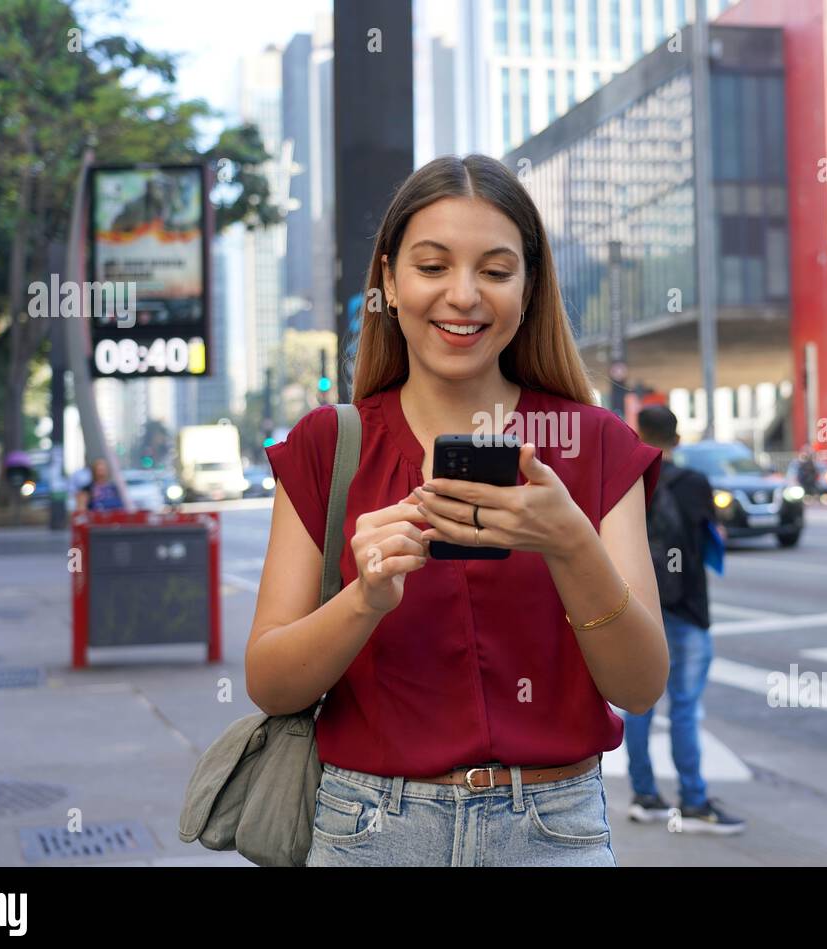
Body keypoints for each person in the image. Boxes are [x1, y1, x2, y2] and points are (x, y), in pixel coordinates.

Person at [248, 154, 668, 867]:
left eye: (497, 272)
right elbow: (269, 681)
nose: (464, 296)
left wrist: (572, 546)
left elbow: (638, 684)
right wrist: (365, 597)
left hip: (553, 831)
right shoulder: (329, 444)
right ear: (388, 280)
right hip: (369, 831)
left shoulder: (595, 444)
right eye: (433, 266)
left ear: (530, 288)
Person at [624, 404, 746, 834]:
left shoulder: (628, 479)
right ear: (677, 439)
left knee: (638, 705)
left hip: (639, 606)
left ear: (639, 433)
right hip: (687, 608)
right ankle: (693, 802)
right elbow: (712, 541)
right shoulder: (694, 484)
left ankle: (645, 796)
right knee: (685, 708)